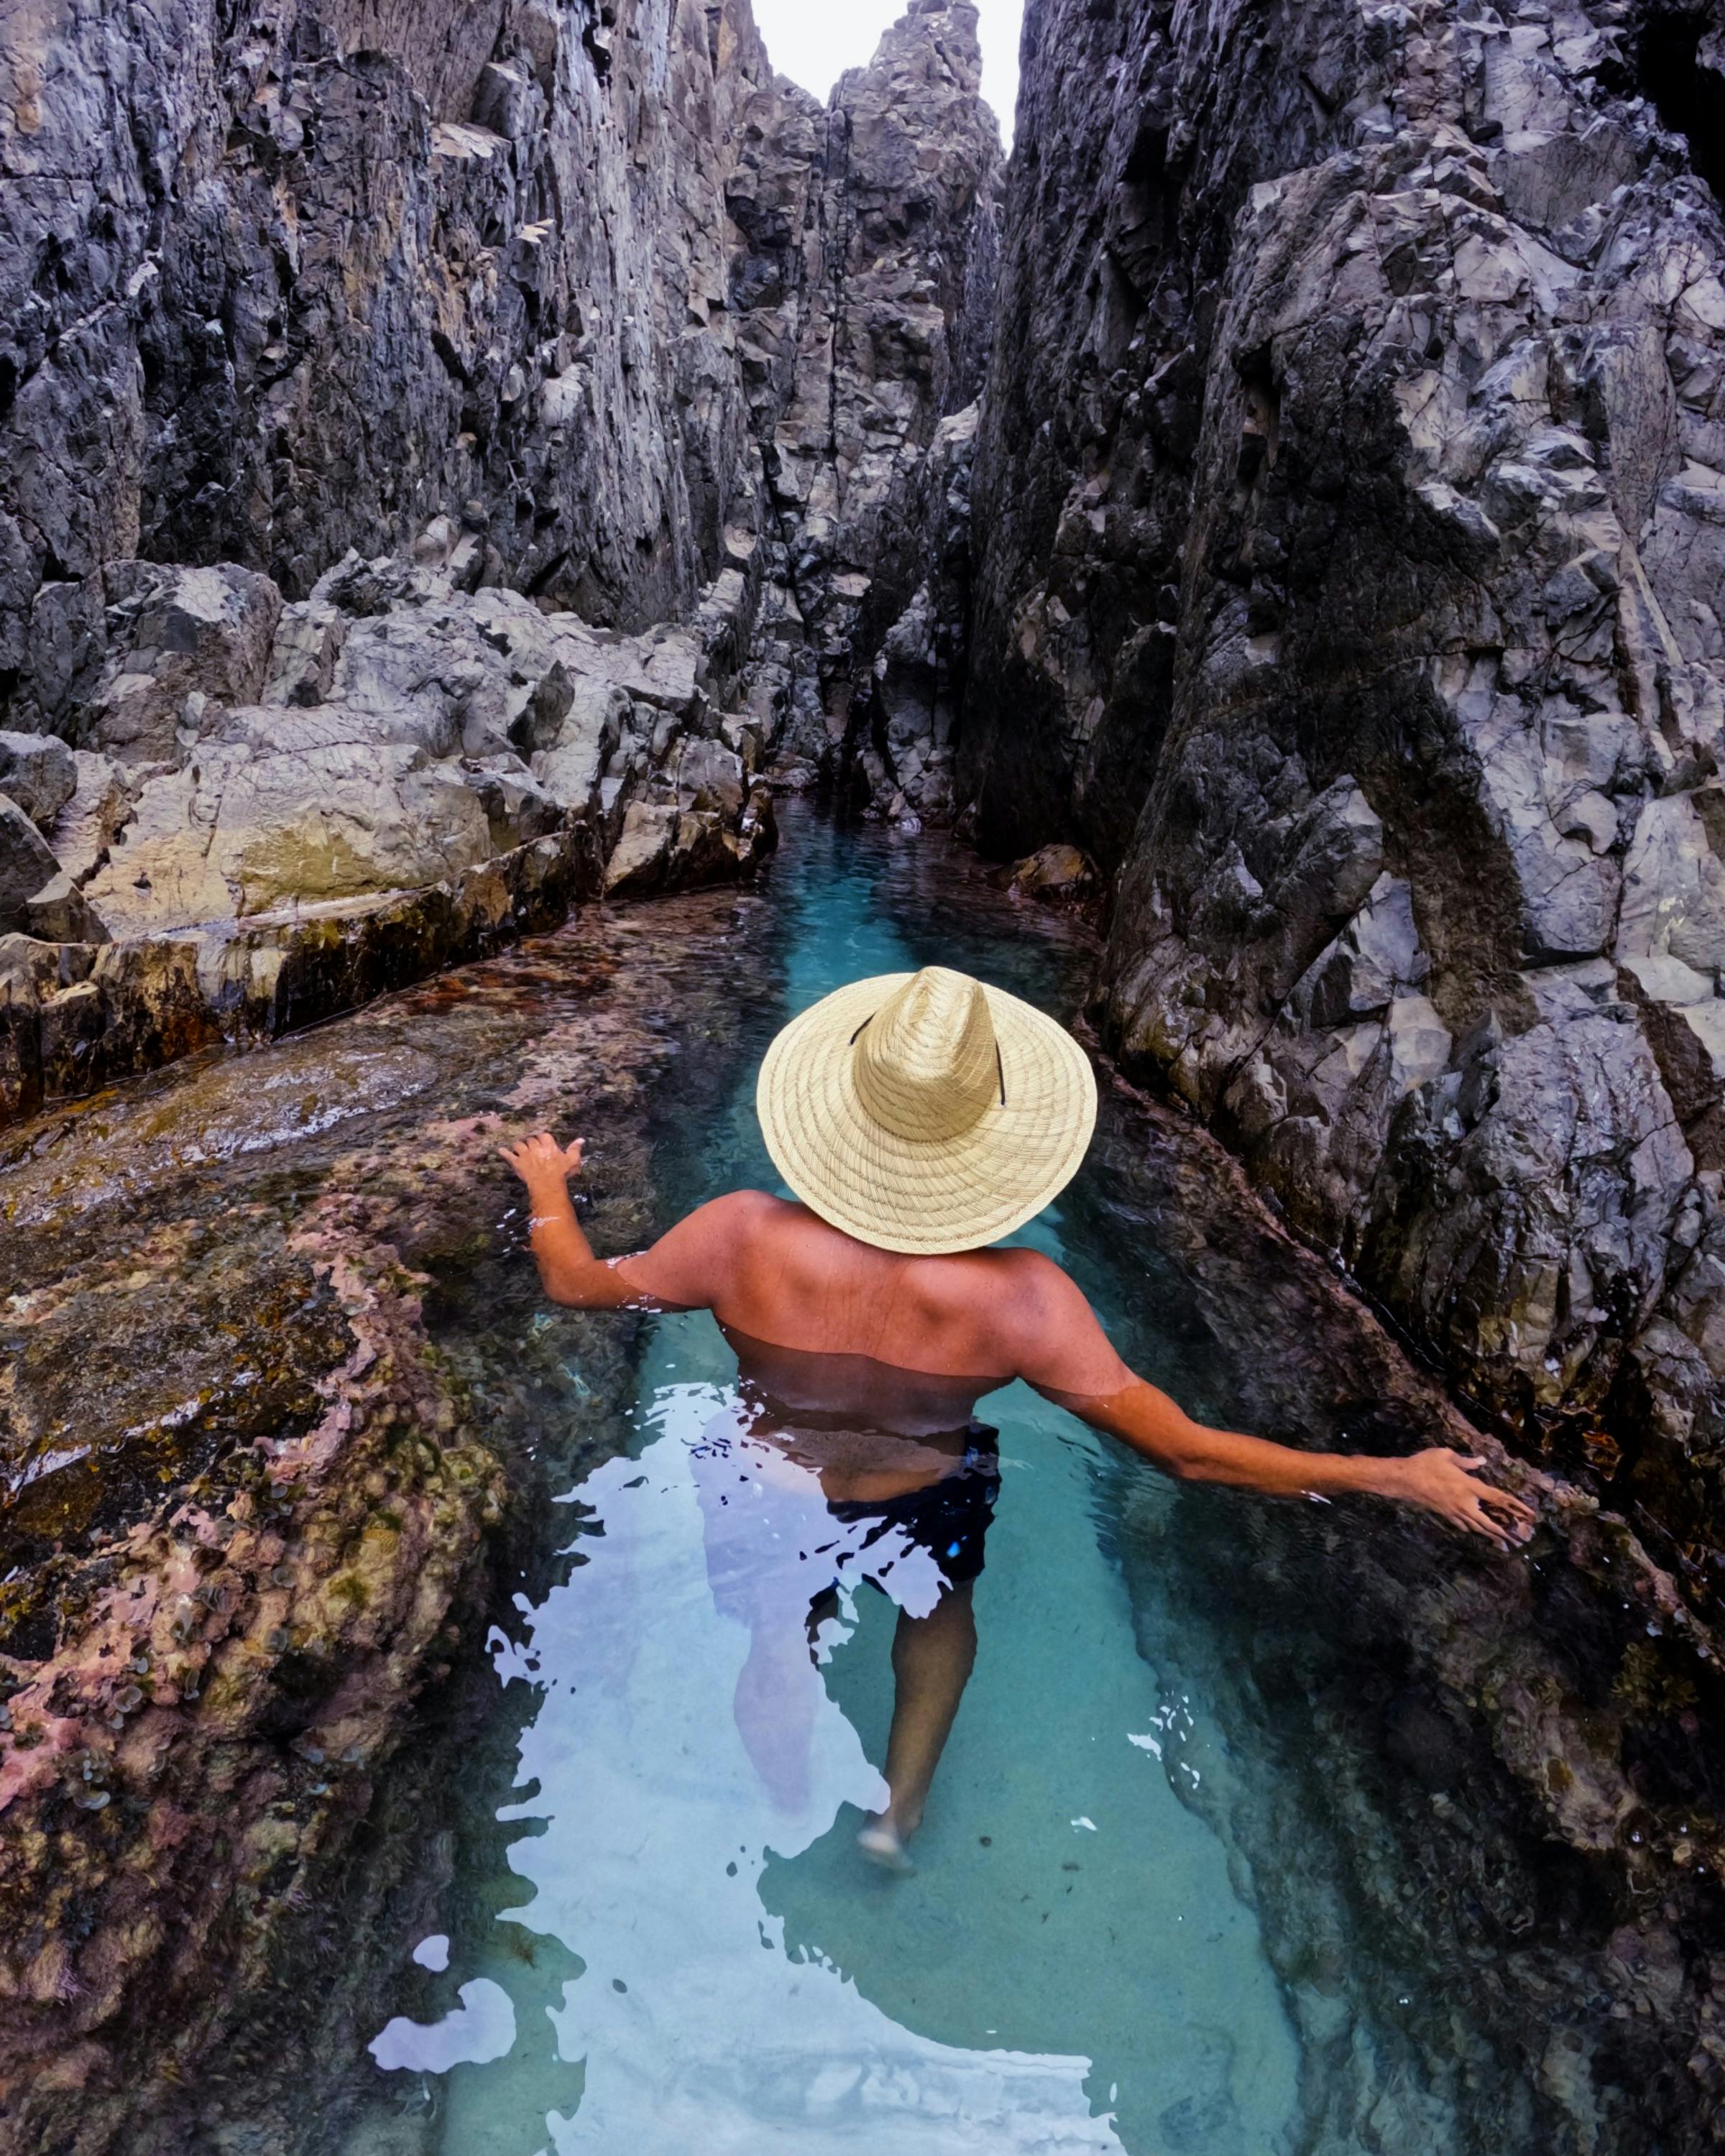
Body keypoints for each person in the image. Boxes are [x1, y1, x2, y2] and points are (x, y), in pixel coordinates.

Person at [502, 964, 1535, 1869]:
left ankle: (780, 1803)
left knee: (777, 1635)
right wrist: (1394, 1476)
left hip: (769, 1480)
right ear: (984, 1139)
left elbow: (581, 1286)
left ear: (840, 1110)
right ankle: (893, 1820)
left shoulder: (740, 1236)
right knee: (938, 1614)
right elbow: (1185, 1455)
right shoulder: (1025, 1300)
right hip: (922, 1493)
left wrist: (550, 1188)